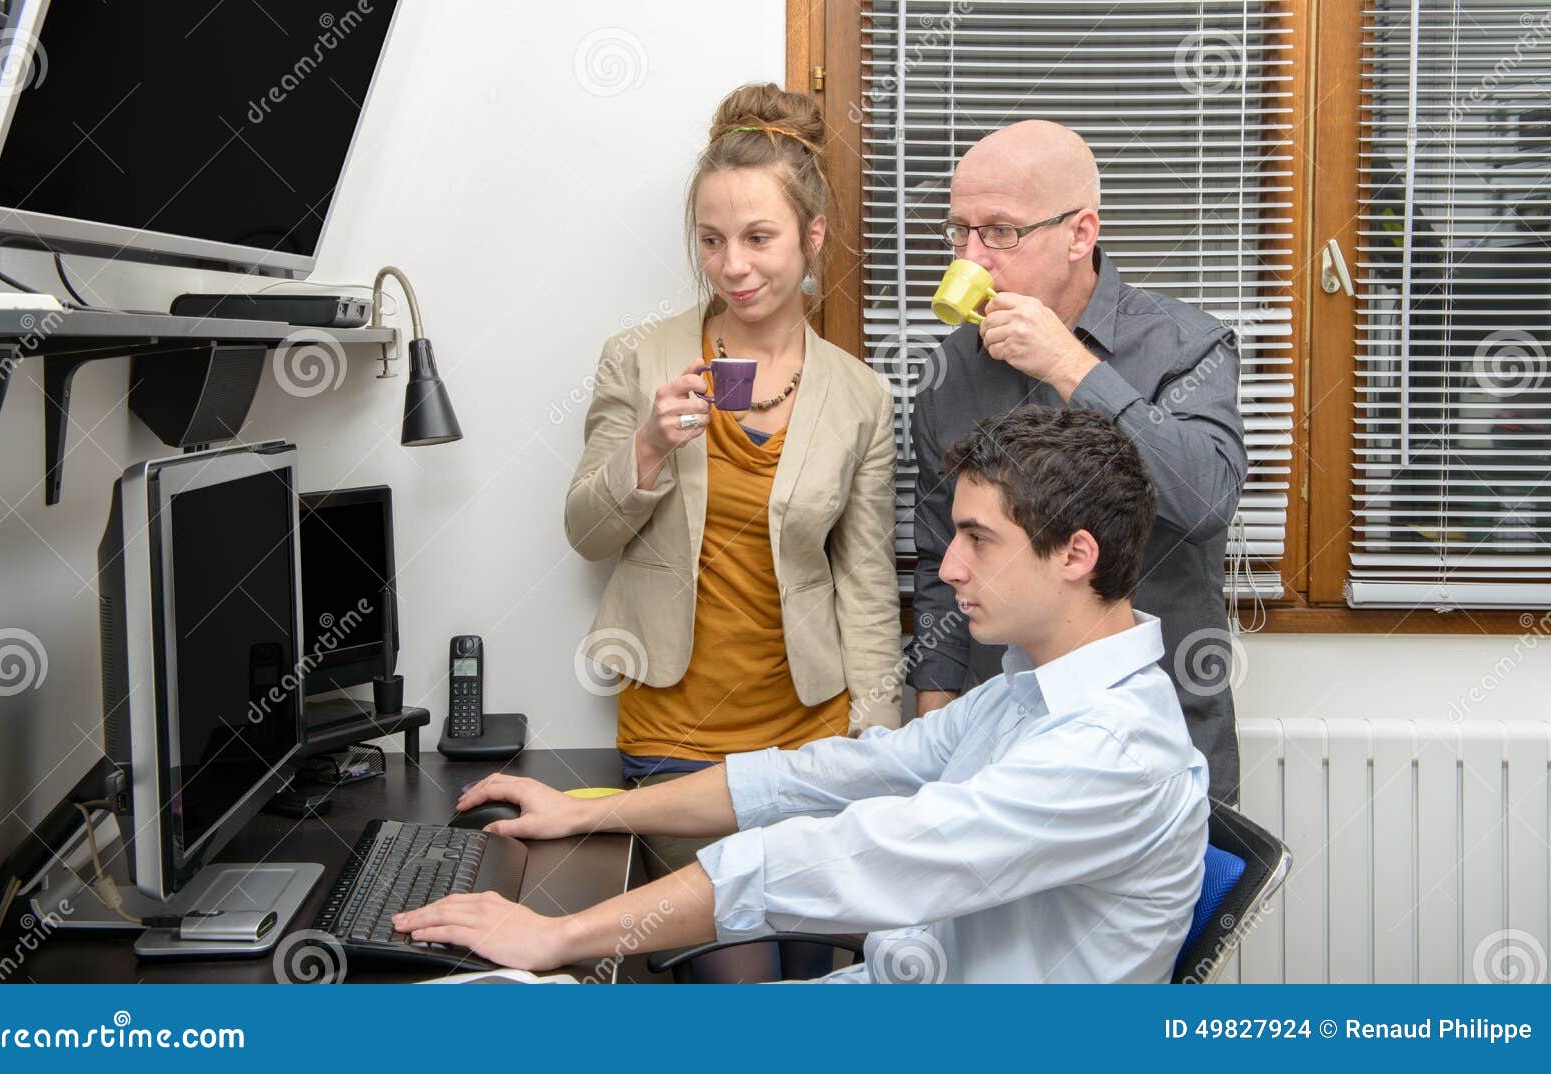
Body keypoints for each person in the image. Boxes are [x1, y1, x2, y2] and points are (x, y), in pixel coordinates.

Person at [399, 407, 1209, 984]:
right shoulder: (1027, 692)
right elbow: (819, 778)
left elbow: (851, 853)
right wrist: (590, 811)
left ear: (1075, 555)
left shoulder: (1110, 751)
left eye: (979, 539)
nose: (951, 568)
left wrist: (558, 934)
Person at [560, 82, 901, 981]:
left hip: (814, 746)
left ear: (813, 236)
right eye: (712, 241)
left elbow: (865, 584)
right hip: (676, 741)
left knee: (824, 980)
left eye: (758, 239)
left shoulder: (859, 396)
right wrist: (644, 450)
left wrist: (878, 748)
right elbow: (586, 532)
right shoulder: (640, 360)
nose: (733, 266)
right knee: (738, 986)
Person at [907, 120, 1248, 804]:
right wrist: (934, 726)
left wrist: (1069, 364)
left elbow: (1206, 502)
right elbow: (940, 556)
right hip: (1001, 739)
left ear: (1080, 234)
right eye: (959, 232)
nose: (972, 257)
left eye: (1000, 231)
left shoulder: (1188, 346)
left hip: (1159, 741)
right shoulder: (950, 372)